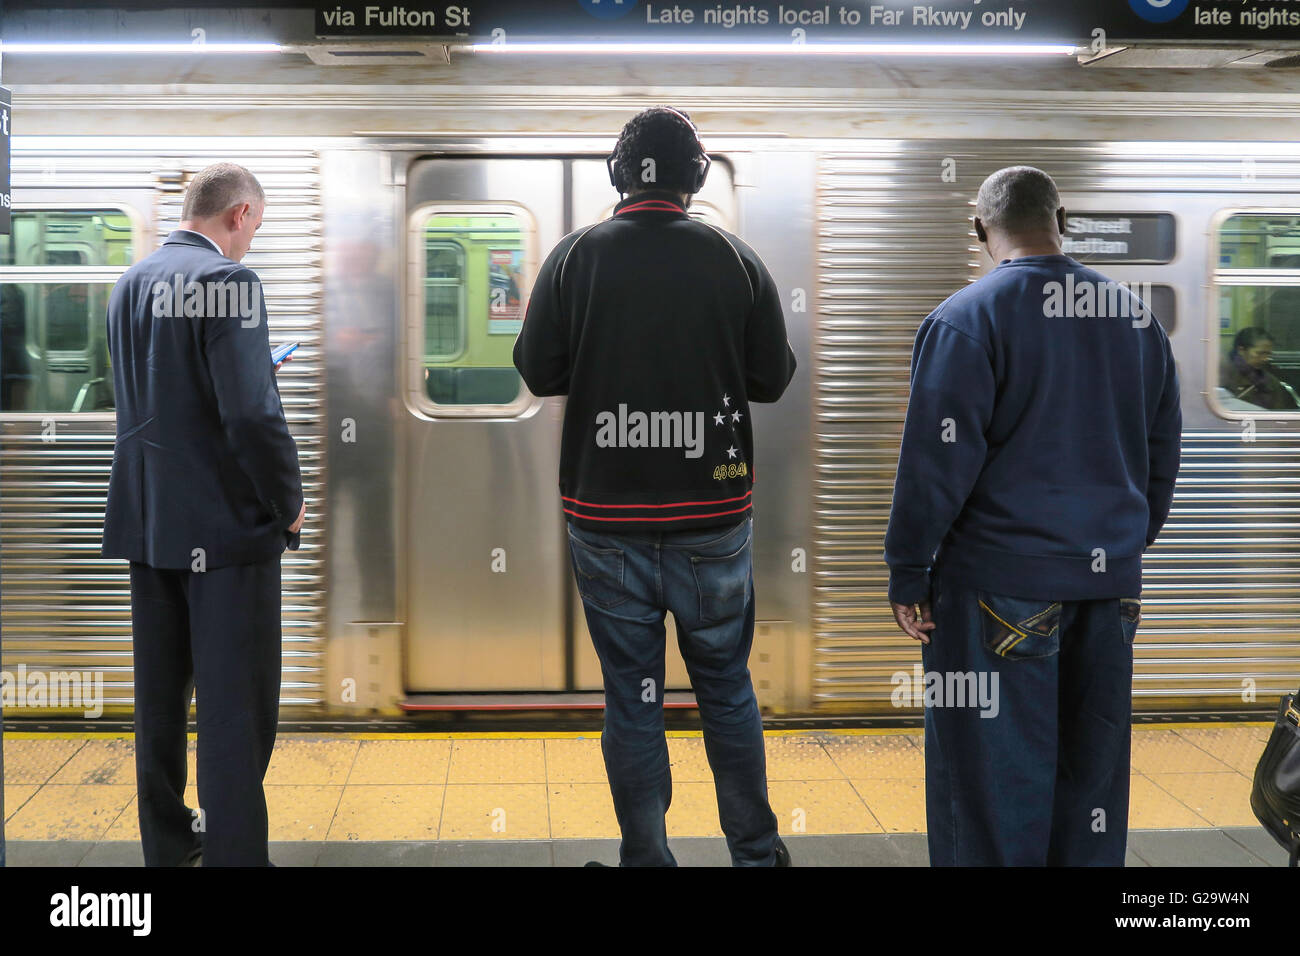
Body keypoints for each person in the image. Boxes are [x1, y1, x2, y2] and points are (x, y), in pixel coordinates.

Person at [513, 106, 797, 867]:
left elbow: (537, 372)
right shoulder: (735, 259)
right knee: (726, 688)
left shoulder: (574, 258)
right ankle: (758, 857)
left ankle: (647, 857)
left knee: (631, 696)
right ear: (696, 177)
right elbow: (773, 378)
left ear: (616, 177)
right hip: (713, 517)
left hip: (605, 519)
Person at [883, 166, 1182, 866]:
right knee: (1092, 783)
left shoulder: (965, 319)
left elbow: (936, 462)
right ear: (1063, 218)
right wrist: (1126, 540)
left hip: (998, 584)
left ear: (978, 226)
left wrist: (908, 570)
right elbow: (1162, 451)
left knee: (991, 787)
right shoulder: (1135, 318)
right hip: (1109, 586)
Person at [102, 163, 305, 867]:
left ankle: (167, 842)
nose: (251, 245)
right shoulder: (228, 284)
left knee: (159, 698)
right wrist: (290, 503)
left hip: (150, 526)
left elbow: (159, 393)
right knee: (234, 708)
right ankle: (235, 854)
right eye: (256, 228)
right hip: (224, 536)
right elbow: (250, 414)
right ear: (241, 214)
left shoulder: (130, 284)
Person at [1220, 326, 1299, 410]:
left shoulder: (1270, 379)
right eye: (1260, 353)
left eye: (1268, 354)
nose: (1265, 358)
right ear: (1241, 350)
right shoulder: (1225, 376)